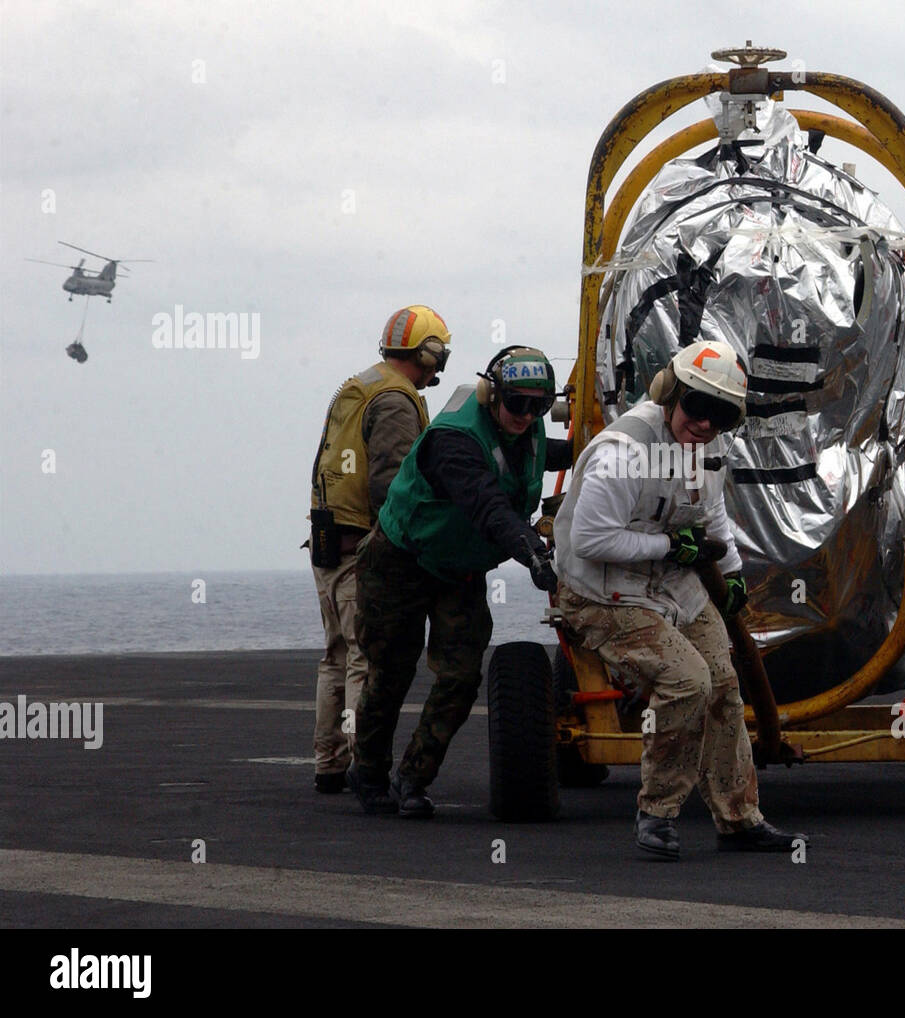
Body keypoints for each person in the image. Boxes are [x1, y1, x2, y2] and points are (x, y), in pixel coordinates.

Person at [553, 340, 805, 858]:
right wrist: (669, 546)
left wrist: (731, 576)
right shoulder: (621, 455)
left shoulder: (706, 452)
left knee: (725, 686)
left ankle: (739, 816)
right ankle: (658, 812)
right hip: (605, 594)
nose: (706, 423)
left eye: (720, 415)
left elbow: (712, 522)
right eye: (697, 406)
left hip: (673, 589)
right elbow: (589, 540)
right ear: (670, 392)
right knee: (687, 680)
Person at [347, 345, 571, 818]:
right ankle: (367, 772)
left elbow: (537, 454)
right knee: (391, 672)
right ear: (492, 395)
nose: (527, 416)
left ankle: (413, 777)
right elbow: (487, 505)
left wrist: (600, 448)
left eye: (539, 405)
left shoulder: (525, 426)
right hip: (401, 561)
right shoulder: (454, 440)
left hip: (460, 569)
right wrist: (532, 552)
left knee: (462, 676)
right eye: (517, 404)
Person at [307, 305, 449, 794]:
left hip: (327, 541)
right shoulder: (396, 399)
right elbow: (394, 483)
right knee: (362, 659)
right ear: (430, 353)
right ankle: (360, 765)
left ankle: (329, 762)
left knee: (335, 655)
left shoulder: (362, 383)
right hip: (361, 547)